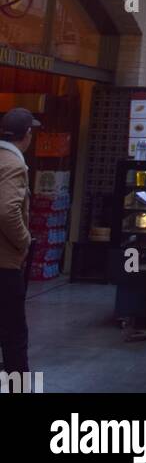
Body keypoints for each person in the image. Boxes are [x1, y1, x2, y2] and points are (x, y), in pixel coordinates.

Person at [0, 108, 40, 377]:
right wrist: (24, 242)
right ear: (27, 134)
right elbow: (6, 210)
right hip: (4, 264)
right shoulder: (13, 165)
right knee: (15, 336)